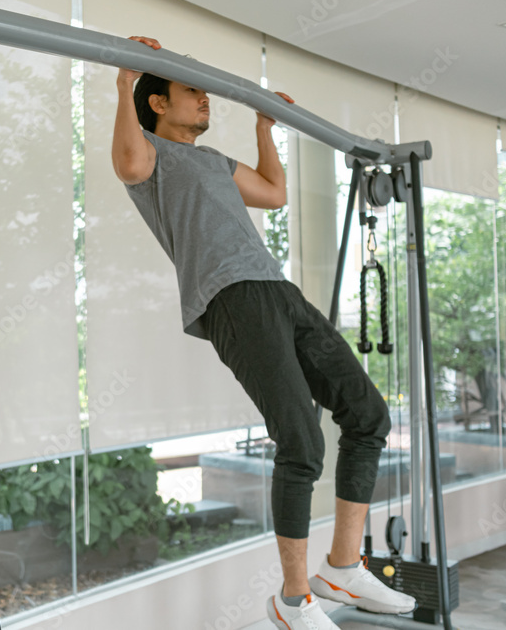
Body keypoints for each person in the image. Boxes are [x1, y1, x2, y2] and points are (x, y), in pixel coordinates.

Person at [111, 36, 416, 630]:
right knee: (302, 442)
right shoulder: (149, 156)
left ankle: (343, 567)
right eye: (190, 91)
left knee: (367, 413)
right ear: (156, 104)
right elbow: (124, 162)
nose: (204, 100)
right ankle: (294, 599)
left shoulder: (214, 161)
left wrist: (264, 126)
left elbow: (273, 195)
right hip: (230, 300)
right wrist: (124, 81)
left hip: (277, 289)